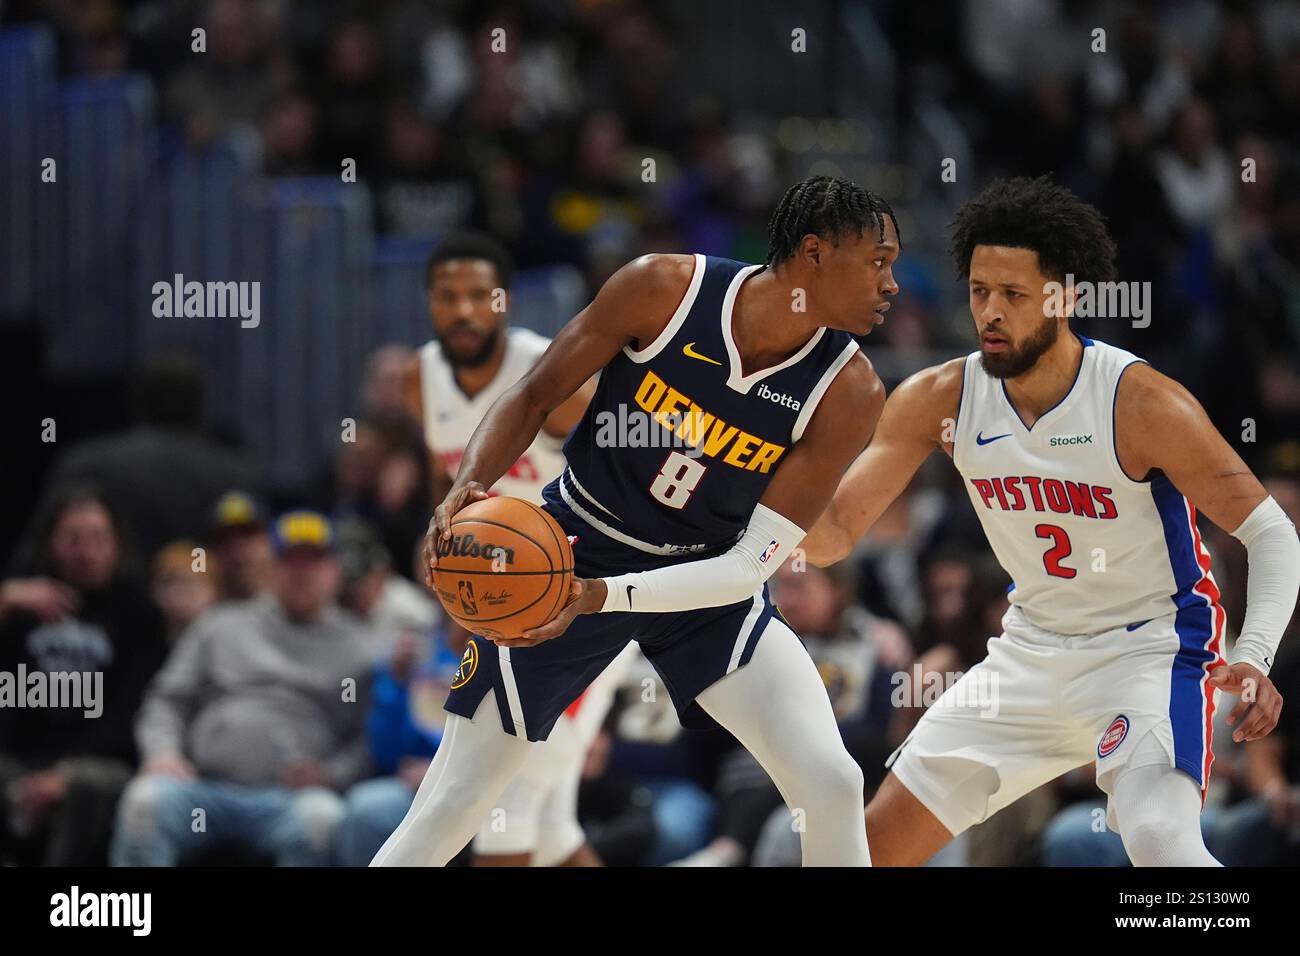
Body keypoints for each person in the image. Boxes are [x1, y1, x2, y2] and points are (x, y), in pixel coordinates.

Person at [372, 175, 900, 867]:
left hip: (707, 585)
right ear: (814, 255)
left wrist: (606, 597)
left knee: (831, 782)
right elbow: (532, 397)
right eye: (879, 262)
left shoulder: (851, 391)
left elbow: (749, 567)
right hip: (570, 548)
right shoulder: (662, 290)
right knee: (457, 803)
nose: (892, 284)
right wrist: (469, 483)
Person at [801, 176, 1300, 866]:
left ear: (1065, 297)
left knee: (1161, 843)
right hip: (1028, 651)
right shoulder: (937, 398)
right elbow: (830, 535)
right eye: (979, 292)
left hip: (1148, 650)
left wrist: (1254, 656)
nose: (990, 314)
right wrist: (738, 493)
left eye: (1014, 294)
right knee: (864, 850)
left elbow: (1270, 530)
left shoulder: (1141, 403)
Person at [361, 230, 619, 867]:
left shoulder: (548, 376)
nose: (465, 310)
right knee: (553, 831)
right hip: (503, 610)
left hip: (582, 611)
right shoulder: (421, 378)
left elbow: (629, 479)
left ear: (503, 302)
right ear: (429, 304)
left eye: (480, 295)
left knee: (507, 801)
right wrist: (457, 599)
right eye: (448, 296)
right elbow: (444, 485)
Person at [111, 510, 377, 866]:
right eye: (289, 561)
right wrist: (162, 753)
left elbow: (368, 735)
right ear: (270, 568)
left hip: (291, 800)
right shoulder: (220, 625)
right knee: (145, 803)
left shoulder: (362, 647)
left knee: (322, 820)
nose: (302, 574)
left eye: (314, 562)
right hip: (203, 789)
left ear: (336, 570)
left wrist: (332, 775)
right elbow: (166, 702)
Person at [0, 485, 167, 865]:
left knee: (89, 786)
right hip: (17, 758)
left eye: (98, 539)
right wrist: (6, 598)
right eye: (73, 539)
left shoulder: (139, 615)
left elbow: (133, 714)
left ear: (117, 545)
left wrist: (64, 772)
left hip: (97, 761)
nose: (87, 552)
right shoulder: (21, 607)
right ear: (50, 545)